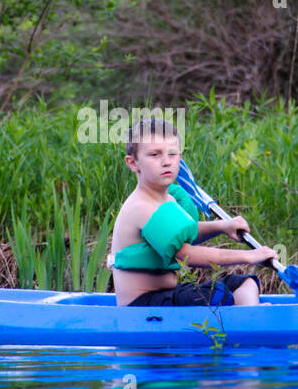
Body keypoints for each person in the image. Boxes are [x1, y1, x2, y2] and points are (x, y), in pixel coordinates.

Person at [108, 117, 275, 306]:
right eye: (155, 155)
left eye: (172, 154)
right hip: (143, 305)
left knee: (244, 283)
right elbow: (187, 254)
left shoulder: (168, 199)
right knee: (219, 295)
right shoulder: (142, 207)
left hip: (169, 295)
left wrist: (223, 226)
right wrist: (249, 256)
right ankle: (248, 320)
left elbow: (186, 234)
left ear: (180, 156)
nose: (166, 162)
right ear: (133, 163)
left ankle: (250, 321)